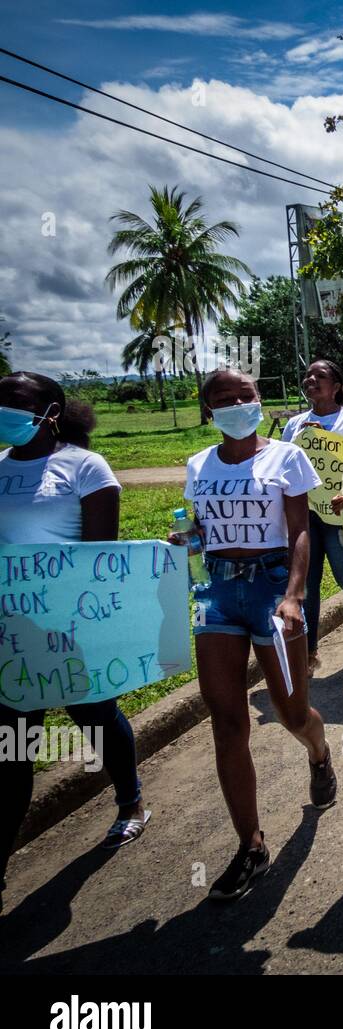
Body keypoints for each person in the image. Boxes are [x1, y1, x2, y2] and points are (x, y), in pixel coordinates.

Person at [173, 368, 335, 902]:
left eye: (245, 396)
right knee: (226, 721)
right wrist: (186, 538)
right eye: (223, 399)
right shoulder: (199, 465)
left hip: (272, 588)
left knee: (291, 713)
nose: (236, 404)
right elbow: (199, 529)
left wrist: (294, 595)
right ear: (209, 410)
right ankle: (251, 844)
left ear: (259, 400)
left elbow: (300, 531)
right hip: (217, 592)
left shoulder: (285, 457)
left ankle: (318, 751)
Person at [0, 372, 148, 912]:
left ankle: (130, 800)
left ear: (52, 411)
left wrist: (71, 618)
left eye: (15, 405)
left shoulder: (85, 468)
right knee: (12, 744)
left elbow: (98, 557)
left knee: (95, 716)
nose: (4, 413)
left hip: (70, 627)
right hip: (10, 635)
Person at [280, 359, 343, 675]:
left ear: (336, 386)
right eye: (307, 375)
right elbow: (282, 466)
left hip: (339, 513)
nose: (311, 380)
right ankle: (308, 653)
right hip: (305, 514)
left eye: (320, 376)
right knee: (307, 581)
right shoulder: (294, 425)